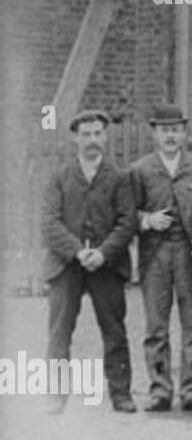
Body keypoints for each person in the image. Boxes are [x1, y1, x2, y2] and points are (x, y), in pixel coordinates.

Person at [42, 109, 136, 413]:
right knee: (59, 331)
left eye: (97, 134)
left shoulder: (120, 178)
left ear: (105, 137)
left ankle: (121, 393)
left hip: (106, 265)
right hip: (67, 264)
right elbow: (49, 223)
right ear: (74, 138)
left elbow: (127, 222)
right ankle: (56, 394)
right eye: (86, 134)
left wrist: (103, 253)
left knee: (114, 330)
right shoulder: (58, 177)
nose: (92, 140)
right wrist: (77, 251)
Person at [129, 105, 192, 413]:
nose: (171, 136)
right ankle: (160, 390)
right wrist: (148, 220)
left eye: (176, 129)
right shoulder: (141, 170)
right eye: (165, 130)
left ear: (185, 133)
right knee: (156, 326)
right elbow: (127, 215)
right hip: (155, 255)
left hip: (190, 251)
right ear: (154, 134)